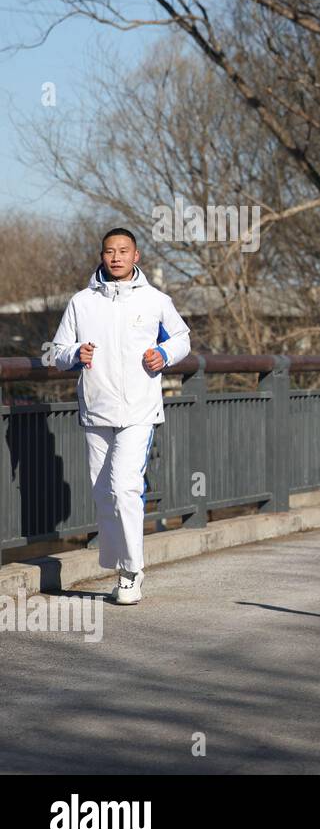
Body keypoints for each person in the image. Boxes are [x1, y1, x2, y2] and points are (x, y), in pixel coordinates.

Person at [50, 228, 192, 605]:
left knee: (125, 486)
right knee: (102, 491)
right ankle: (117, 565)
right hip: (96, 408)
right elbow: (57, 350)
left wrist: (163, 354)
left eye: (123, 251)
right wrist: (76, 352)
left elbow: (182, 338)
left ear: (136, 256)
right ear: (102, 256)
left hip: (139, 409)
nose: (116, 257)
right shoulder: (81, 302)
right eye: (110, 251)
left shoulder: (155, 300)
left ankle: (131, 572)